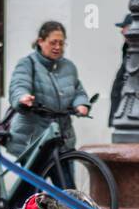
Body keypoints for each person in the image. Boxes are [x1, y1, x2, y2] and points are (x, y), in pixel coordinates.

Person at [7, 20, 89, 156]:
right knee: (33, 178)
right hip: (34, 138)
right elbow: (19, 85)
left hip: (63, 138)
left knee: (66, 177)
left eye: (61, 43)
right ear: (40, 41)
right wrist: (22, 97)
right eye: (53, 42)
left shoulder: (69, 67)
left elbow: (77, 91)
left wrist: (81, 104)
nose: (57, 47)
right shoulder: (27, 63)